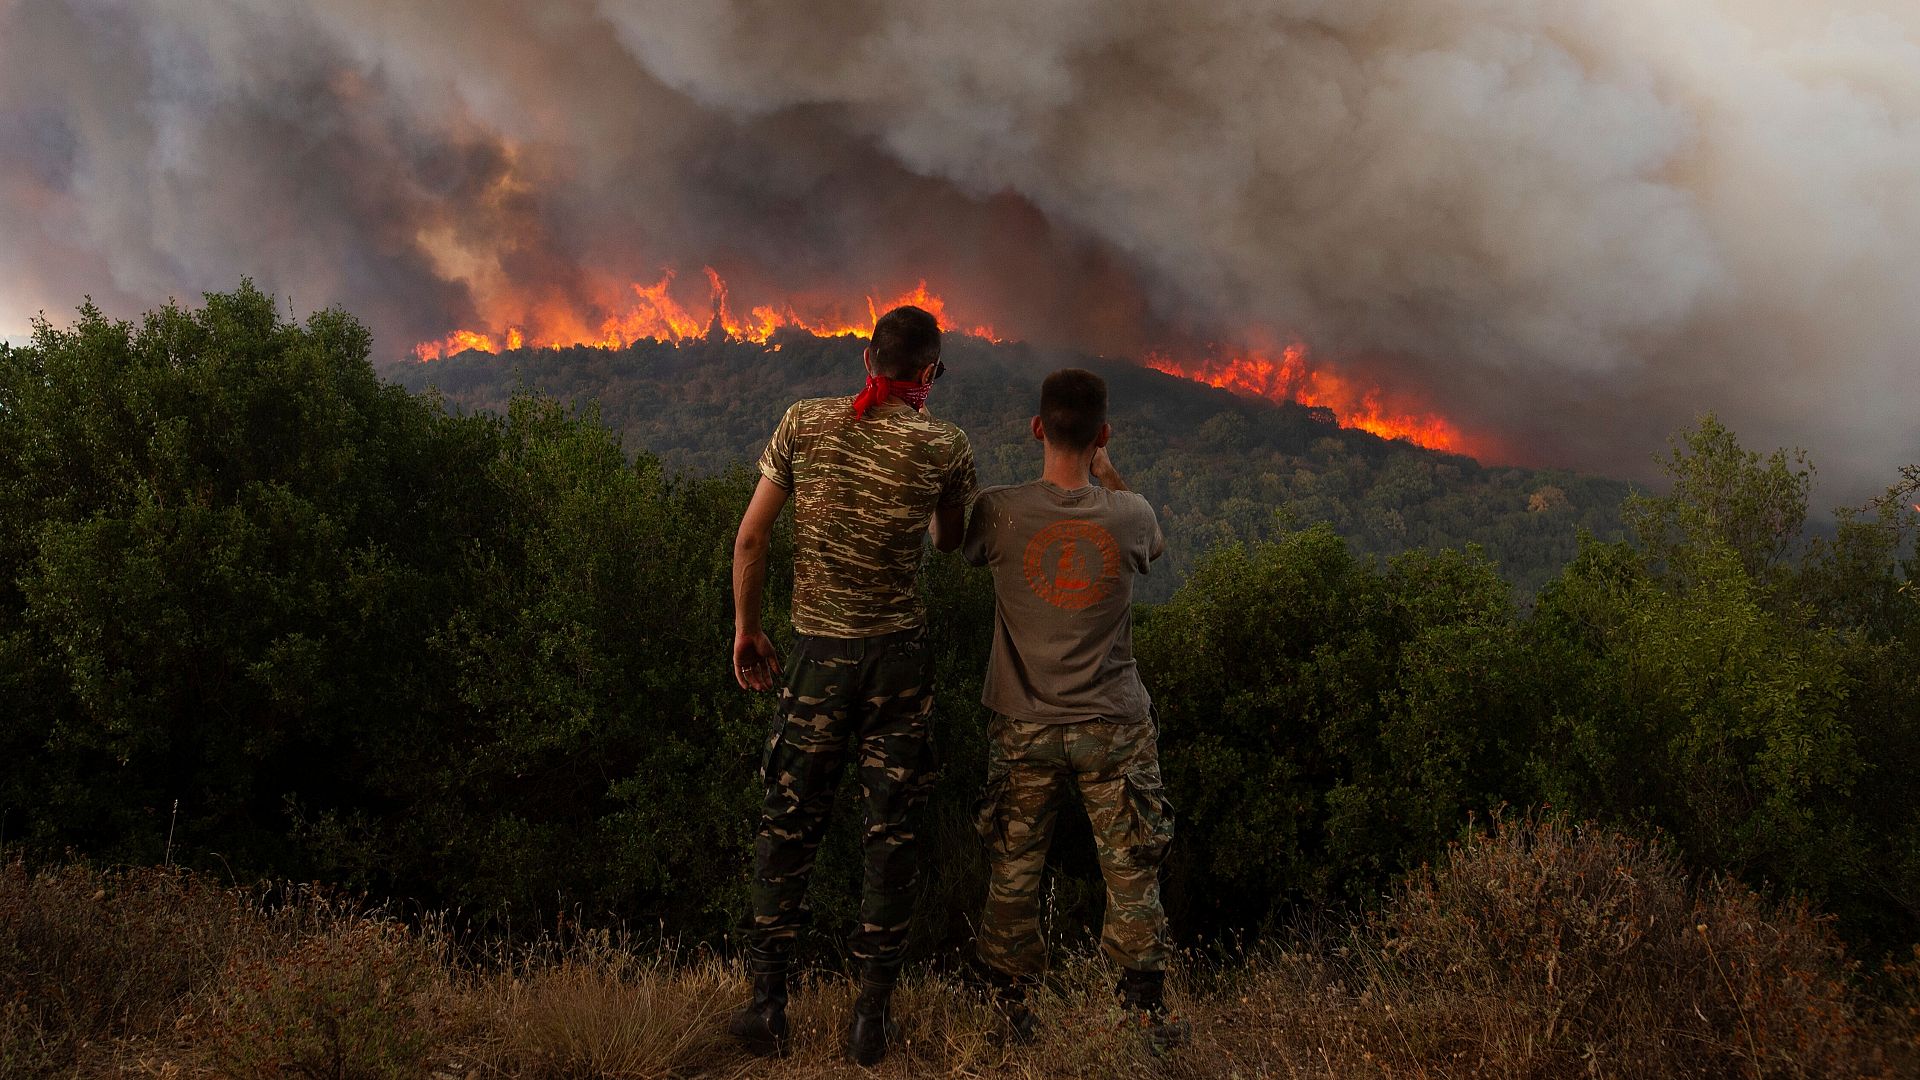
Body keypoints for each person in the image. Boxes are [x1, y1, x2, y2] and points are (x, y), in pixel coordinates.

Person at [727, 304, 977, 1065]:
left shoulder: (803, 421)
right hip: (898, 662)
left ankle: (769, 1009)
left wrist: (747, 628)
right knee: (890, 834)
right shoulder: (945, 443)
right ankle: (871, 1020)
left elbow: (751, 537)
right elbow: (950, 538)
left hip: (817, 659)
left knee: (788, 828)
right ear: (928, 374)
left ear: (868, 357)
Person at [961, 367, 1183, 1046]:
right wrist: (1109, 475)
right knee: (1130, 866)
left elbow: (958, 546)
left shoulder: (997, 511)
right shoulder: (1130, 514)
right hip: (1112, 725)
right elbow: (1157, 548)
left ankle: (1009, 1014)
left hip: (1024, 724)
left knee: (1014, 866)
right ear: (1102, 435)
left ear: (1037, 428)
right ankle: (1142, 1017)